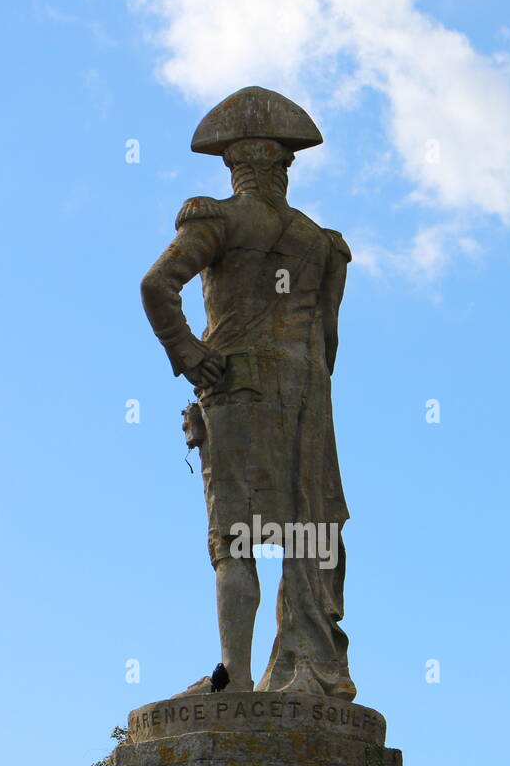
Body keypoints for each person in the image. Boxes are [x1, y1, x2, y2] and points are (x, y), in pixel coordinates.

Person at [140, 87, 356, 701]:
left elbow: (158, 285)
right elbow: (328, 343)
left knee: (235, 537)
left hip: (238, 387)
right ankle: (306, 664)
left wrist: (190, 355)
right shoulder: (322, 243)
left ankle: (234, 677)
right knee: (304, 530)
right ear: (281, 170)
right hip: (307, 398)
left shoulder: (221, 220)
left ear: (237, 169)